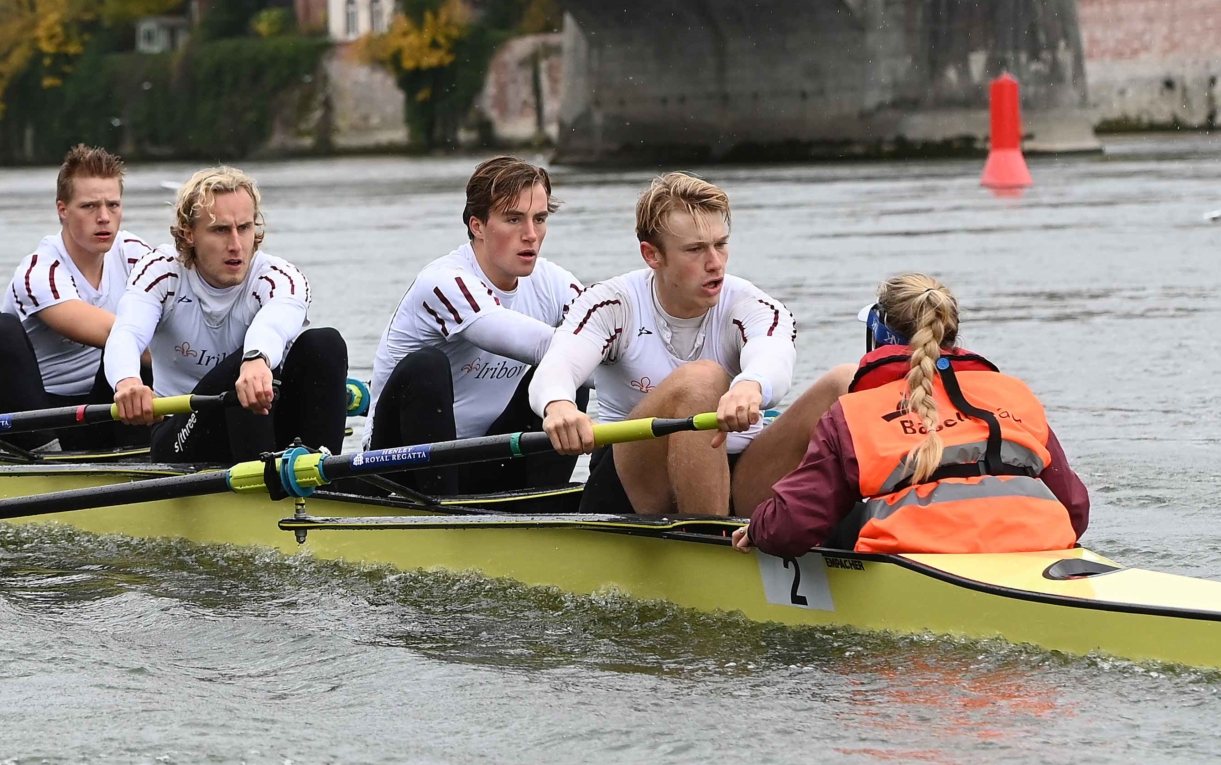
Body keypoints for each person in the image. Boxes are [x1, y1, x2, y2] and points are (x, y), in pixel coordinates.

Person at [531, 172, 852, 517]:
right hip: (636, 483)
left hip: (741, 475)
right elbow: (558, 364)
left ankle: (894, 527)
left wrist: (751, 385)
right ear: (652, 255)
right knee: (702, 381)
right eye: (695, 249)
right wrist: (559, 406)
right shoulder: (612, 304)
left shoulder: (752, 306)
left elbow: (774, 354)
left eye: (720, 244)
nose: (715, 263)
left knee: (849, 380)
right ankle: (708, 541)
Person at [739, 273, 1086, 557]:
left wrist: (758, 528)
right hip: (1040, 545)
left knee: (843, 514)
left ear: (878, 334)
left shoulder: (852, 414)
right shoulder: (1015, 393)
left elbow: (792, 528)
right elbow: (1074, 508)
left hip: (919, 560)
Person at [365, 156, 587, 495]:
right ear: (477, 226)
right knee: (428, 366)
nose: (531, 235)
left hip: (485, 459)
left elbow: (606, 341)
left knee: (574, 381)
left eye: (539, 219)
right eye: (514, 219)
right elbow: (504, 332)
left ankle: (541, 506)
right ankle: (442, 517)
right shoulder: (444, 281)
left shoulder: (554, 283)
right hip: (399, 467)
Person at [107, 166, 348, 464]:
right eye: (220, 230)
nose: (236, 244)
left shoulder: (279, 277)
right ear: (188, 233)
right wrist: (128, 383)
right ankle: (261, 487)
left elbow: (271, 325)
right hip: (181, 431)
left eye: (244, 228)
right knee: (239, 369)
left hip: (260, 420)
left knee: (324, 344)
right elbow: (127, 333)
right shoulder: (160, 271)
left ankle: (320, 473)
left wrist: (257, 360)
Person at [0, 145, 152, 449]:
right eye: (89, 206)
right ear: (62, 210)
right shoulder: (40, 271)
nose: (105, 217)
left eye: (113, 205)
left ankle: (142, 453)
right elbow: (115, 334)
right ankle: (47, 460)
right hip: (37, 415)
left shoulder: (135, 254)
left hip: (98, 408)